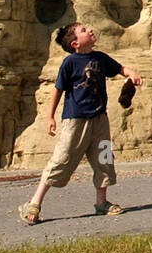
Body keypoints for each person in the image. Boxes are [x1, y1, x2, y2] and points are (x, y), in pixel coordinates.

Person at [18, 22, 142, 225]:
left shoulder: (100, 58)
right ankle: (34, 203)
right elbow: (58, 89)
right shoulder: (70, 63)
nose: (90, 30)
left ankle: (101, 203)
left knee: (104, 158)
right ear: (75, 43)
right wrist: (50, 117)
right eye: (83, 30)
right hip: (75, 121)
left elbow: (120, 68)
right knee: (62, 159)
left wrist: (131, 74)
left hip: (100, 121)